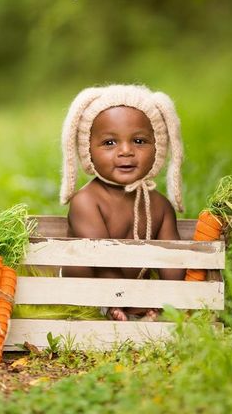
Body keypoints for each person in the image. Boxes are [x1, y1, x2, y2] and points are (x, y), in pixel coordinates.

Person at [60, 84, 185, 321]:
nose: (126, 151)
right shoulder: (85, 201)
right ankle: (110, 308)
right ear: (88, 150)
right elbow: (102, 259)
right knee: (94, 267)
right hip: (88, 290)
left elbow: (172, 263)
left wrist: (166, 297)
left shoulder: (159, 205)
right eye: (109, 143)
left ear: (157, 147)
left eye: (139, 141)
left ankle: (130, 309)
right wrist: (127, 299)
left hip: (136, 292)